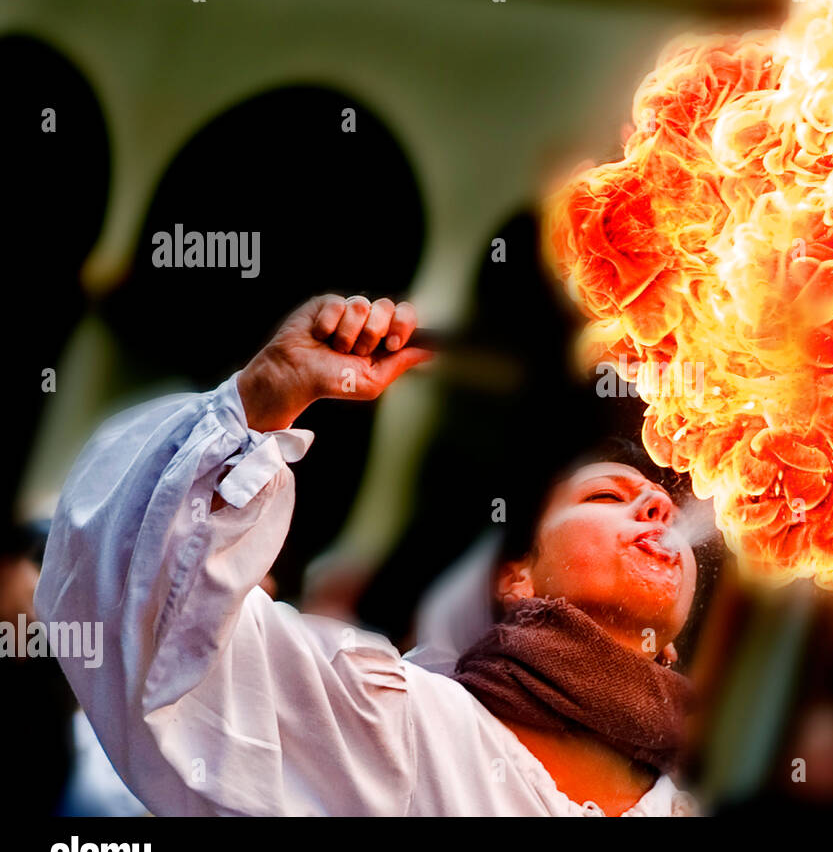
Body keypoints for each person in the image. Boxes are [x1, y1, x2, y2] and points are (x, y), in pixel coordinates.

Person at [35, 294, 699, 816]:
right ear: (516, 579)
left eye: (663, 505)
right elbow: (156, 645)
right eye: (608, 495)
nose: (657, 508)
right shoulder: (402, 727)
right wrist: (264, 394)